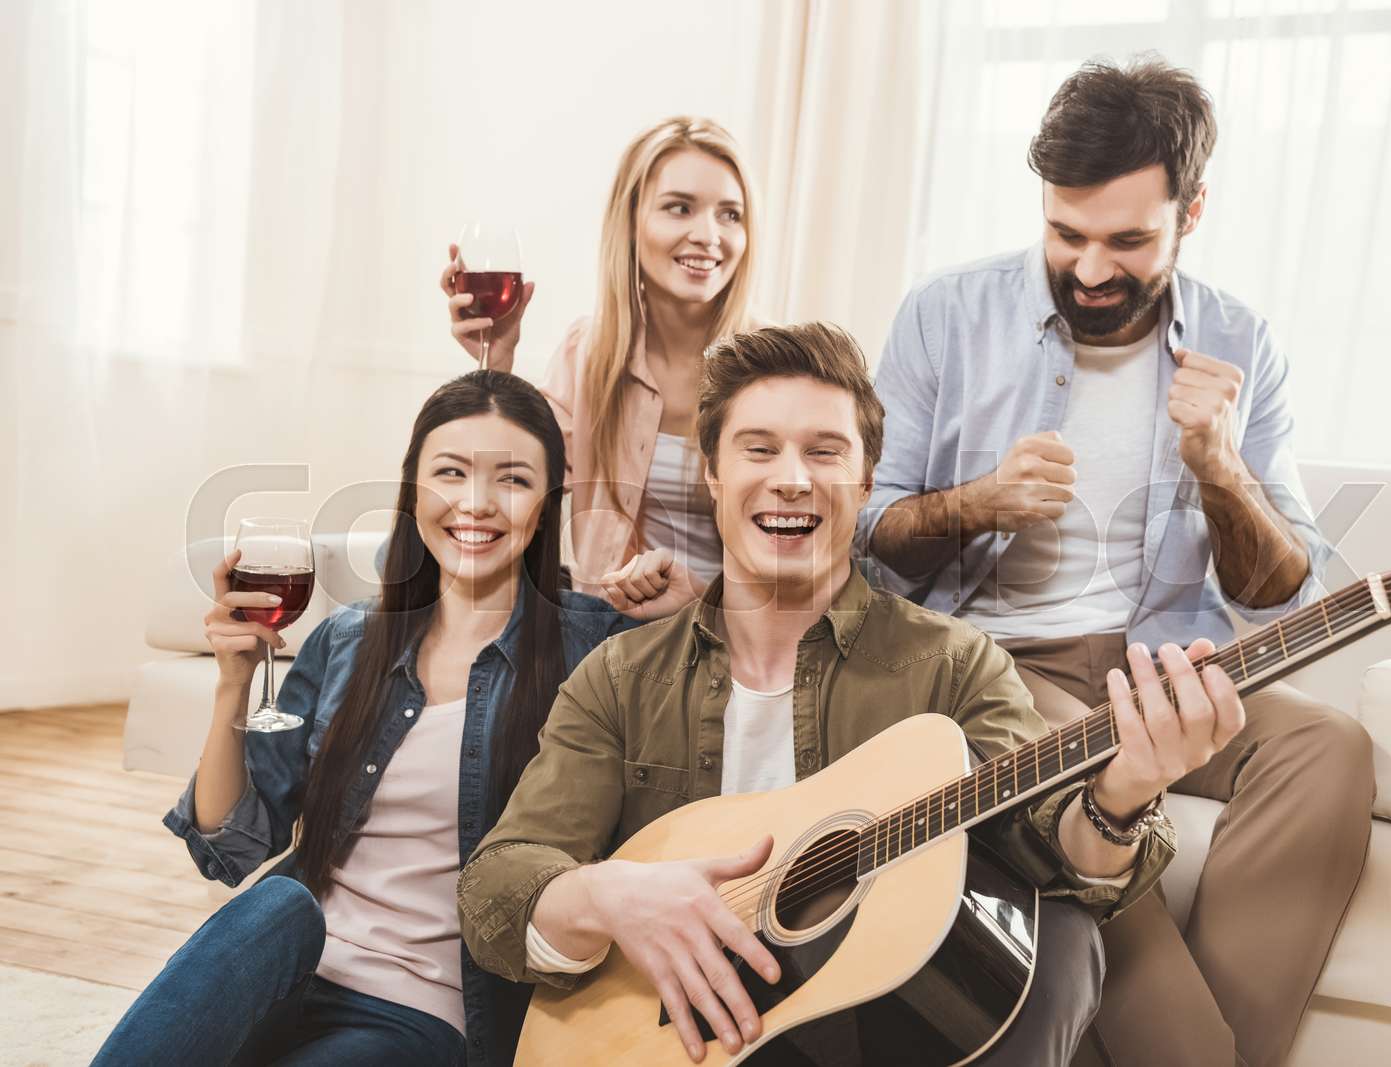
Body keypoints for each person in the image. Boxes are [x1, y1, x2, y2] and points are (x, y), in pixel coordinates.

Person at [457, 322, 1248, 1065]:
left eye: (825, 451)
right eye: (758, 448)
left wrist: (1126, 792)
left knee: (1065, 939)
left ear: (867, 479)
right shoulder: (620, 676)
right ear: (712, 472)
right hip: (673, 1040)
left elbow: (1053, 854)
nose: (792, 479)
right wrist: (608, 894)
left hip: (882, 1035)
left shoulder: (955, 665)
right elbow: (496, 888)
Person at [859, 57, 1376, 1067]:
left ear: (1192, 211)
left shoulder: (1240, 341)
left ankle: (1214, 1047)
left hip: (1161, 663)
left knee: (1329, 749)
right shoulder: (942, 315)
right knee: (1102, 750)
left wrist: (1222, 472)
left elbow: (1287, 586)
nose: (1091, 268)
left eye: (1128, 241)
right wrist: (975, 504)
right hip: (989, 663)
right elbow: (864, 535)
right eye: (1066, 235)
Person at [94, 371, 683, 1067]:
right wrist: (234, 682)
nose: (476, 502)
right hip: (288, 970)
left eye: (514, 479)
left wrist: (689, 610)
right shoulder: (347, 639)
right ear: (411, 491)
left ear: (548, 503)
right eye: (450, 472)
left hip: (418, 1014)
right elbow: (233, 847)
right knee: (277, 905)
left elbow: (733, 691)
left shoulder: (594, 645)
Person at [439, 116, 759, 595]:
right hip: (604, 641)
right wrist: (497, 362)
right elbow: (509, 487)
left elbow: (804, 562)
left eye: (730, 214)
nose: (709, 234)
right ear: (631, 224)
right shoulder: (588, 353)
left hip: (729, 639)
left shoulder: (774, 369)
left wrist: (703, 607)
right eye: (679, 208)